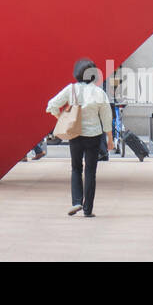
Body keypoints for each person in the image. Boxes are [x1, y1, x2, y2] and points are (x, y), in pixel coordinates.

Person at [47, 58, 113, 218]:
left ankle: (76, 201)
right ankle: (87, 209)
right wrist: (109, 139)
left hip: (75, 134)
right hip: (94, 135)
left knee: (76, 168)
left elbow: (52, 105)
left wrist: (62, 119)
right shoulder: (99, 92)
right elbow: (106, 117)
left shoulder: (71, 90)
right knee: (91, 171)